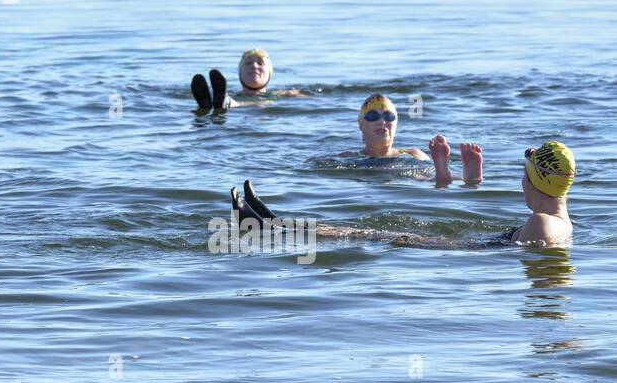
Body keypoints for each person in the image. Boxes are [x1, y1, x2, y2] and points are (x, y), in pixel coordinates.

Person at [231, 139, 577, 248]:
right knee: (368, 234)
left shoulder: (542, 223)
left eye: (525, 175)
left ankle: (269, 228)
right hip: (475, 244)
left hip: (462, 251)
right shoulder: (562, 221)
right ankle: (275, 224)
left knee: (367, 235)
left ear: (533, 181)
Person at [190, 48, 305, 111]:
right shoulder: (230, 95)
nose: (254, 66)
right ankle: (208, 105)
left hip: (235, 109)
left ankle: (226, 105)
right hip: (231, 111)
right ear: (240, 73)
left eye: (260, 63)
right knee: (221, 101)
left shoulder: (282, 94)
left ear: (270, 73)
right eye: (248, 63)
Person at [340, 93, 432, 162]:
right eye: (372, 116)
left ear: (396, 125)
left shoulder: (414, 155)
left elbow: (433, 181)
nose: (382, 122)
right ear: (361, 125)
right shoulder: (349, 158)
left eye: (388, 116)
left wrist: (441, 164)